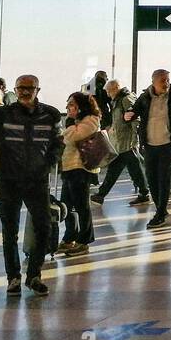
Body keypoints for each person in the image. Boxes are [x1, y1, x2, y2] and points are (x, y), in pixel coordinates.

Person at [0, 75, 61, 297]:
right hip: (8, 181)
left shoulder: (51, 114)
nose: (24, 91)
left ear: (38, 89)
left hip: (37, 181)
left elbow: (59, 143)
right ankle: (13, 278)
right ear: (15, 89)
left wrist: (47, 164)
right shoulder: (1, 114)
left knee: (44, 228)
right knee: (9, 232)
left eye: (29, 88)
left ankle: (33, 276)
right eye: (20, 87)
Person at [124, 68, 171, 229]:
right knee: (151, 177)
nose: (166, 83)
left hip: (167, 144)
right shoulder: (145, 97)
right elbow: (134, 110)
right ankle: (160, 208)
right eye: (163, 80)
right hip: (149, 144)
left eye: (168, 80)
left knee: (163, 177)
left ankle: (161, 212)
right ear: (154, 82)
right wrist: (128, 114)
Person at [56, 92, 100, 256]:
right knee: (67, 205)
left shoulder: (91, 120)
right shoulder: (76, 122)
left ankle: (84, 240)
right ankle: (69, 238)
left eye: (71, 105)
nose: (68, 108)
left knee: (82, 206)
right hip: (69, 167)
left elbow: (73, 138)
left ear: (81, 106)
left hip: (81, 168)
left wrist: (67, 127)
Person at [92, 80, 149, 207]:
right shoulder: (118, 100)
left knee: (130, 169)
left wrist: (135, 140)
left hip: (127, 142)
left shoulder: (125, 100)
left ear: (116, 88)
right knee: (130, 169)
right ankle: (101, 195)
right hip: (121, 143)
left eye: (108, 90)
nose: (107, 93)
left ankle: (101, 195)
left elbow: (135, 119)